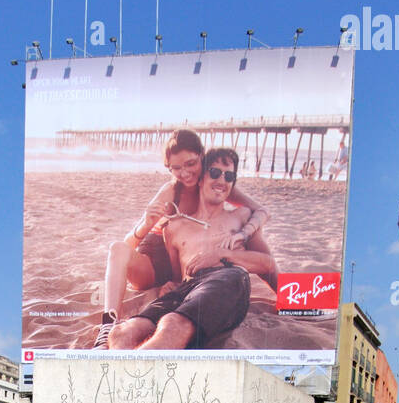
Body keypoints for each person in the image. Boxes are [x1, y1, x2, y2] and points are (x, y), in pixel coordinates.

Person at [94, 129, 275, 348]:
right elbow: (149, 256)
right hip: (160, 252)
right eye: (176, 168)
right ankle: (108, 324)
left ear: (201, 158)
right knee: (121, 332)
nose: (185, 172)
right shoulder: (171, 194)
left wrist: (239, 239)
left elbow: (266, 254)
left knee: (172, 323)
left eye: (190, 164)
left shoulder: (227, 197)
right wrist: (146, 224)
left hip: (208, 274)